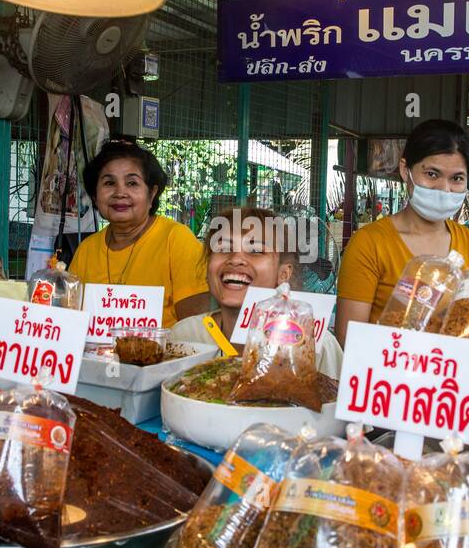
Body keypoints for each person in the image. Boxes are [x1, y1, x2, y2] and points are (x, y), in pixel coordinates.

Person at [335, 119, 469, 344]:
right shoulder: (370, 243)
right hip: (387, 375)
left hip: (457, 376)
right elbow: (348, 338)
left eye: (457, 178)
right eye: (432, 174)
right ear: (405, 170)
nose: (444, 188)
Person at [169, 206, 343, 376]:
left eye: (256, 250)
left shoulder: (317, 346)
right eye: (223, 249)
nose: (236, 259)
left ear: (283, 274)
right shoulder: (183, 336)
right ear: (208, 268)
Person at [69, 138, 210, 326]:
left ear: (151, 194)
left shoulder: (176, 239)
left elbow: (195, 326)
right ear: (95, 196)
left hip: (168, 354)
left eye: (132, 183)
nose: (120, 192)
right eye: (109, 183)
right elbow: (71, 319)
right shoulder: (86, 250)